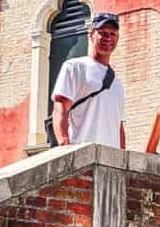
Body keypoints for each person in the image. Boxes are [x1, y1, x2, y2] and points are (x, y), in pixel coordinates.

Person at [51, 12, 126, 148]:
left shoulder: (117, 84)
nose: (108, 38)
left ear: (117, 38)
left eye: (112, 34)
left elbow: (118, 126)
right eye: (102, 33)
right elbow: (60, 108)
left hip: (111, 162)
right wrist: (64, 145)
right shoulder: (74, 68)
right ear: (91, 35)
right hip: (82, 156)